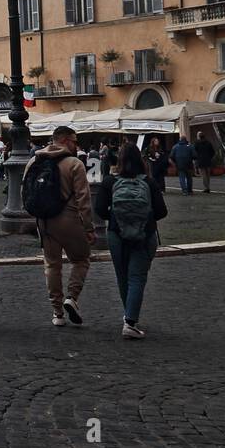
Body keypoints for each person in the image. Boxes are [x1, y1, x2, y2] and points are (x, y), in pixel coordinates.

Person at [93, 143, 168, 339]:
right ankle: (130, 321)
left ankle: (129, 316)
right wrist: (143, 217)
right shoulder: (149, 182)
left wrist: (118, 216)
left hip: (117, 234)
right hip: (144, 234)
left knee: (123, 276)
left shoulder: (110, 181)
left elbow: (99, 210)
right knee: (137, 278)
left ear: (120, 160)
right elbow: (162, 211)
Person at [23, 126, 94, 327]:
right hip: (69, 220)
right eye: (74, 140)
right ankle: (71, 297)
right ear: (64, 140)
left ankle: (57, 313)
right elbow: (84, 199)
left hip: (44, 222)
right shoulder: (74, 164)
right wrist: (89, 228)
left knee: (52, 265)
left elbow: (25, 192)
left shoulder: (33, 161)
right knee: (81, 260)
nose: (76, 145)